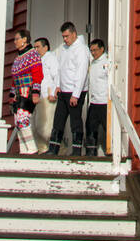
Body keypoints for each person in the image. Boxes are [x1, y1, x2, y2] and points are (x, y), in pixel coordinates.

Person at [47, 22, 90, 157]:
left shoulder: (81, 49)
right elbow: (60, 68)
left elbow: (81, 72)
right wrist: (57, 85)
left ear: (74, 34)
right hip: (63, 90)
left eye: (67, 36)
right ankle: (53, 148)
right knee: (58, 119)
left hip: (76, 91)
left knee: (75, 120)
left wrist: (76, 95)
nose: (65, 39)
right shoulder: (64, 48)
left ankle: (77, 150)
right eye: (63, 37)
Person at [9, 28, 42, 156]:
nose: (15, 42)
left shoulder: (33, 54)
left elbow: (38, 74)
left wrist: (35, 92)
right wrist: (12, 95)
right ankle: (24, 150)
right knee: (17, 121)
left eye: (17, 39)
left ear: (24, 40)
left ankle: (32, 149)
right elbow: (14, 79)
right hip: (18, 92)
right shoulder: (18, 58)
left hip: (27, 91)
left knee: (23, 119)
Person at [33, 37, 59, 153]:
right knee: (37, 127)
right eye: (34, 47)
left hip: (48, 96)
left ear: (46, 47)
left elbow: (56, 75)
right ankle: (42, 150)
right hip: (38, 97)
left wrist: (54, 92)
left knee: (46, 128)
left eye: (37, 47)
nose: (35, 49)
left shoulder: (50, 58)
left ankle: (60, 149)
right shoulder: (37, 60)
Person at [85, 38, 110, 158]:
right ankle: (91, 152)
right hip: (94, 101)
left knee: (107, 127)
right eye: (91, 50)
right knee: (90, 126)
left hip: (104, 101)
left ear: (102, 49)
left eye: (95, 50)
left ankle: (112, 151)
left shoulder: (107, 62)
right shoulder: (93, 63)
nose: (93, 53)